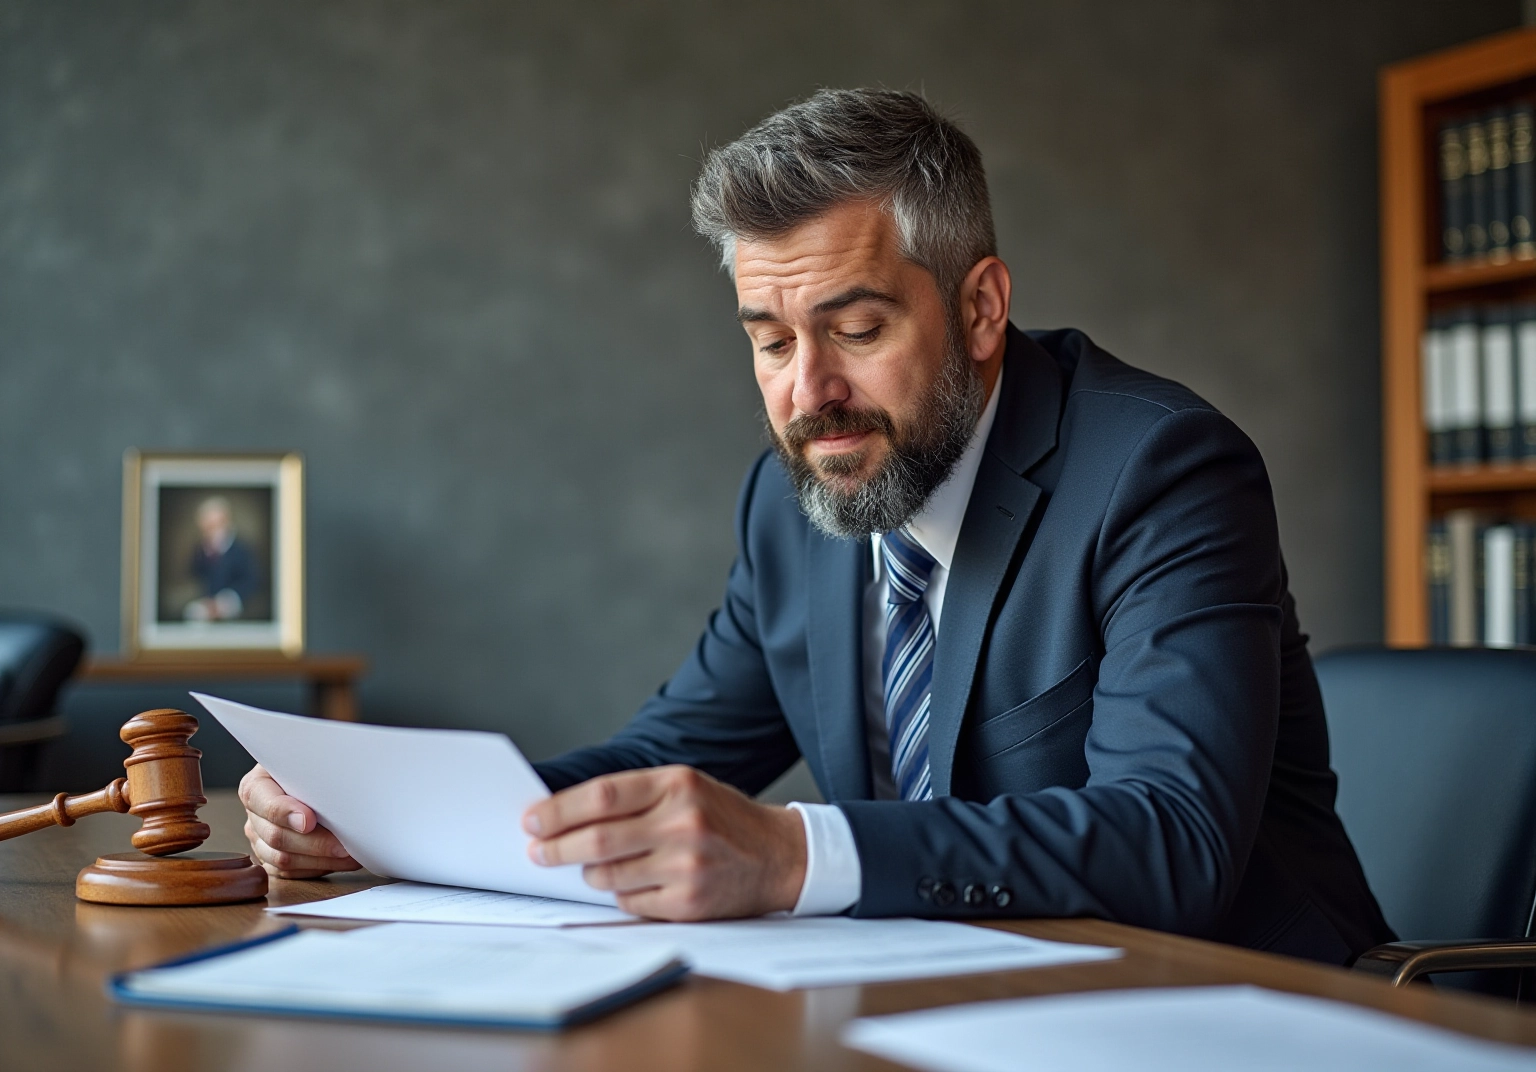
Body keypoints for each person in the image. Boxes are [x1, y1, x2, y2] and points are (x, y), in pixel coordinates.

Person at [239, 89, 1394, 964]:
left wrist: (795, 854)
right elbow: (664, 763)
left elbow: (1169, 838)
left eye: (856, 327)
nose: (809, 392)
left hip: (1231, 1013)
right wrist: (389, 824)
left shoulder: (1160, 470)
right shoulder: (796, 504)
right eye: (771, 339)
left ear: (982, 306)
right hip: (956, 1000)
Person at [183, 495, 257, 622]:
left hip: (236, 606)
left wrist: (227, 600)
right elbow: (195, 576)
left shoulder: (242, 549)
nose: (211, 532)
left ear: (226, 522)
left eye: (215, 525)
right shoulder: (201, 549)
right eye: (207, 528)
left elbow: (252, 581)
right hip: (206, 605)